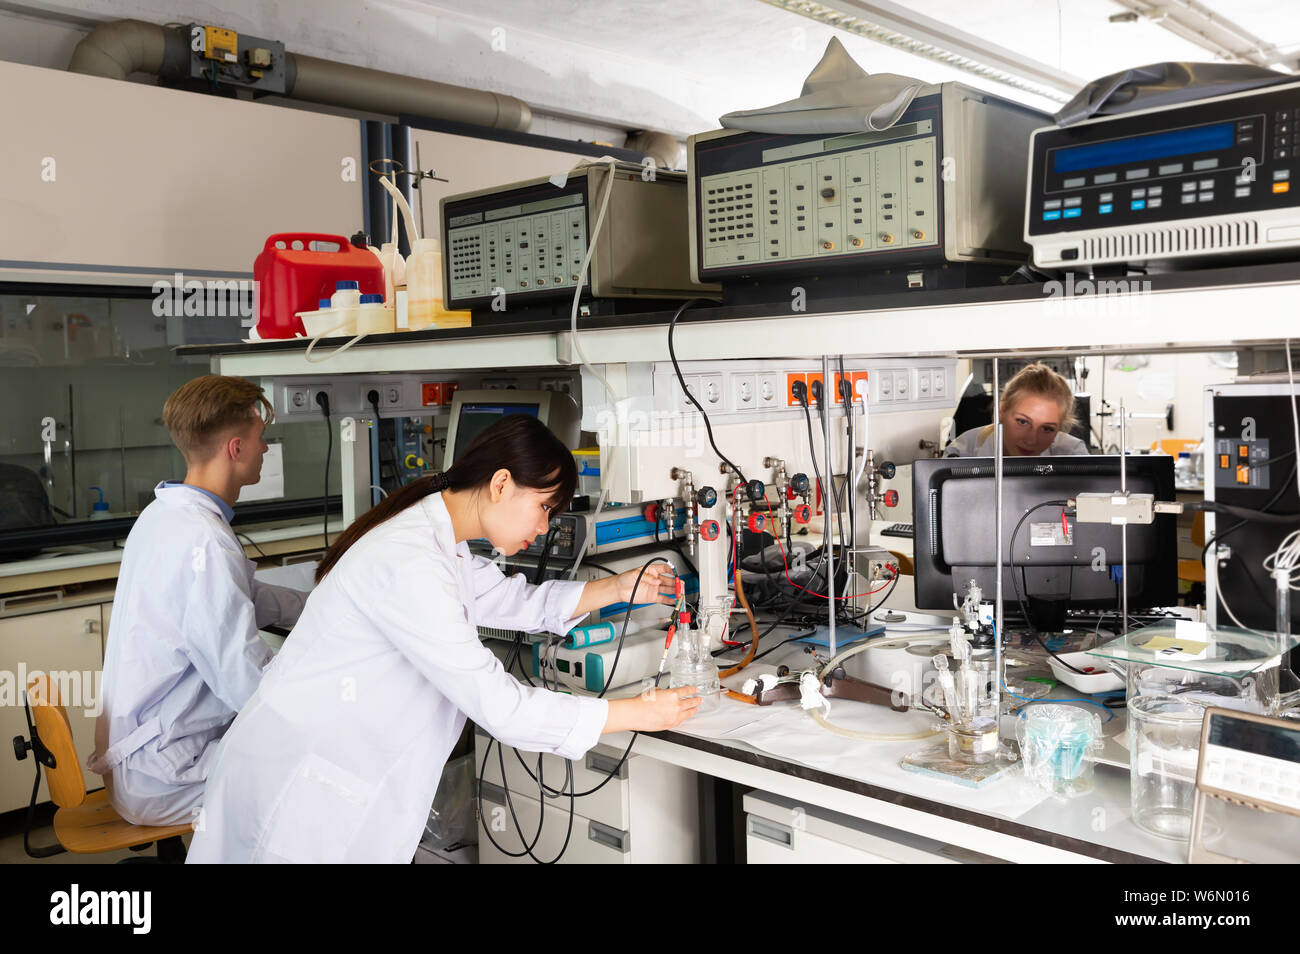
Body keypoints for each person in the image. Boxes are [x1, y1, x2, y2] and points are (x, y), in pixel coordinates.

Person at [187, 414, 700, 863]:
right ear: (502, 484)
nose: (545, 527)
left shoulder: (438, 541)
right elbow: (503, 708)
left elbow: (511, 600)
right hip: (299, 794)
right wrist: (636, 712)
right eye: (545, 507)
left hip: (326, 783)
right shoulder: (410, 560)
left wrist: (617, 588)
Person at [88, 375, 308, 826]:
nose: (265, 448)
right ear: (236, 448)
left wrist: (320, 604)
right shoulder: (206, 539)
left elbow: (245, 596)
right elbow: (244, 679)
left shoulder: (164, 515)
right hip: (163, 775)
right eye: (260, 438)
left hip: (140, 754)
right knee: (323, 775)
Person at [945, 363, 1089, 457]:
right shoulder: (963, 452)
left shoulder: (1073, 454)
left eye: (1047, 429)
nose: (1031, 440)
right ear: (1001, 411)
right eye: (1022, 422)